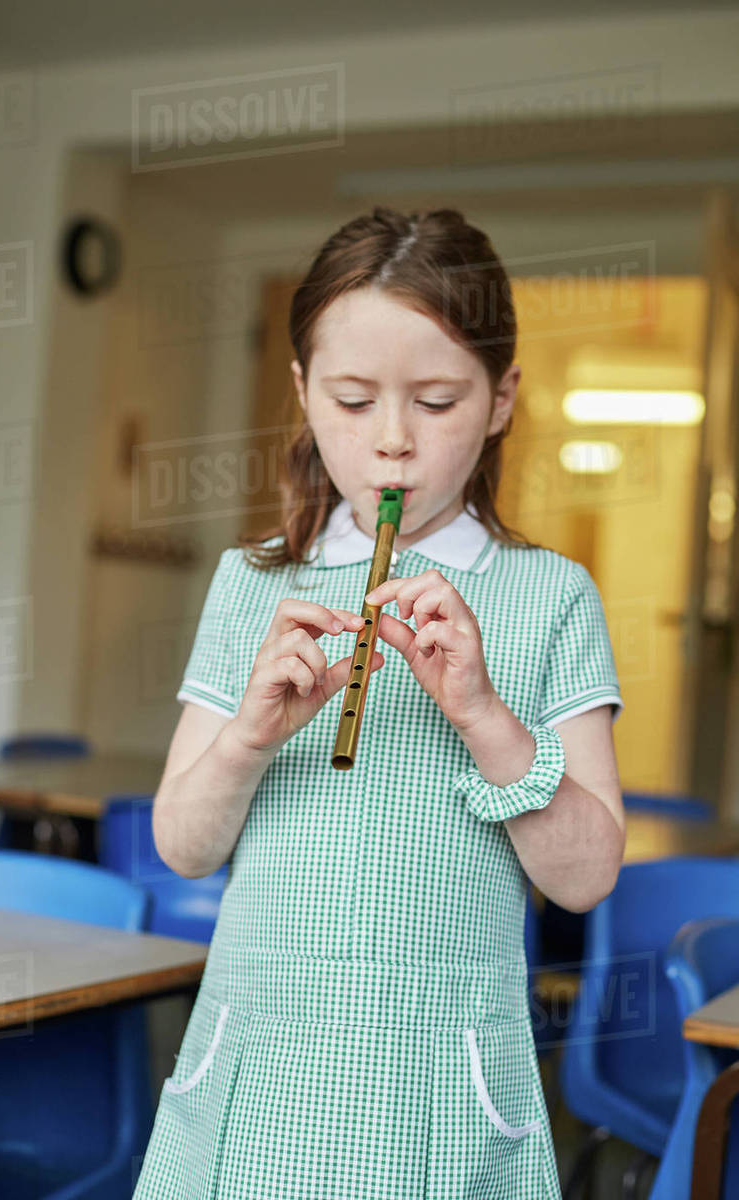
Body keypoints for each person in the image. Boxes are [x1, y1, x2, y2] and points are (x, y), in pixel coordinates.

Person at [132, 206, 625, 1199]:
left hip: (436, 1092)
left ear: (499, 401)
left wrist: (483, 712)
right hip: (259, 1071)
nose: (391, 444)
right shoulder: (249, 586)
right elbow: (183, 846)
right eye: (353, 400)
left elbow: (584, 877)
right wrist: (248, 738)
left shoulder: (550, 595)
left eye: (436, 401)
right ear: (303, 392)